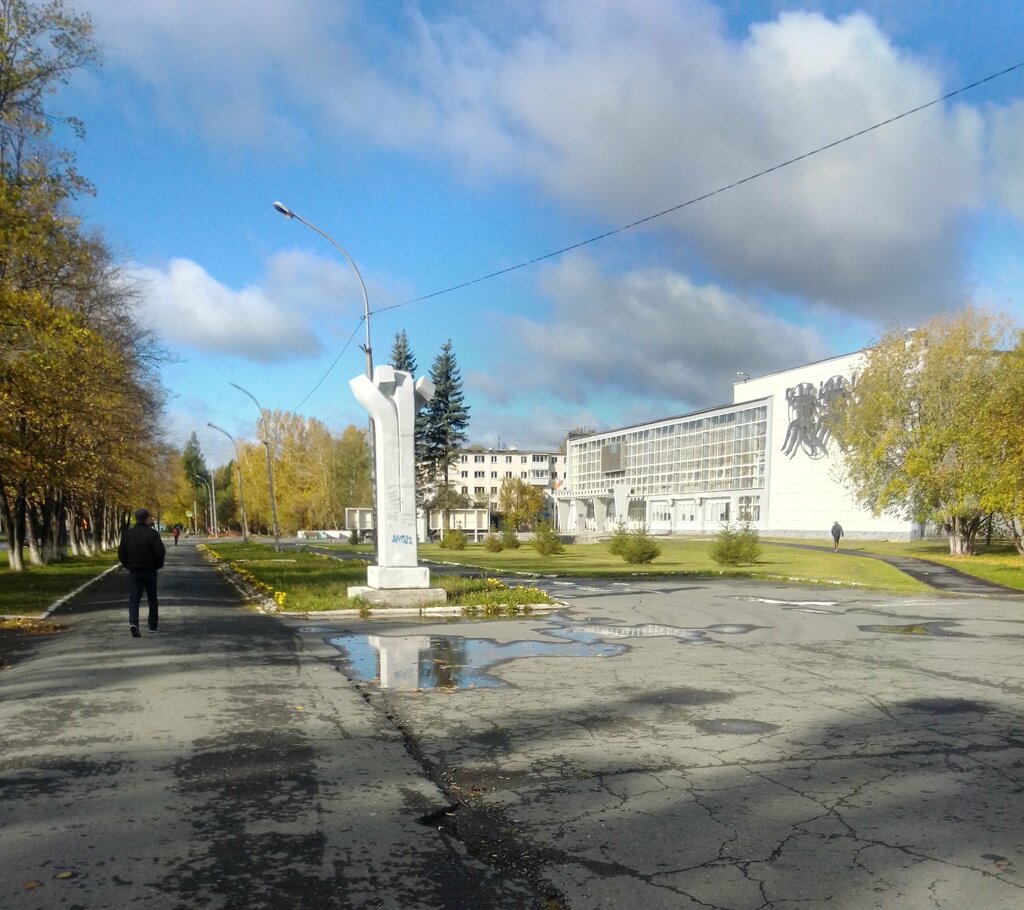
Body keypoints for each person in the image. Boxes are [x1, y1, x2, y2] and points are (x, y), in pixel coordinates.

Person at [118, 508, 166, 637]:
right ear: (146, 519)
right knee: (152, 598)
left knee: (134, 599)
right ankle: (153, 626)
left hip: (134, 571)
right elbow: (160, 552)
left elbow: (121, 553)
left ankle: (133, 623)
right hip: (150, 571)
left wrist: (127, 565)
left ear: (136, 518)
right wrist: (158, 565)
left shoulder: (127, 534)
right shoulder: (153, 534)